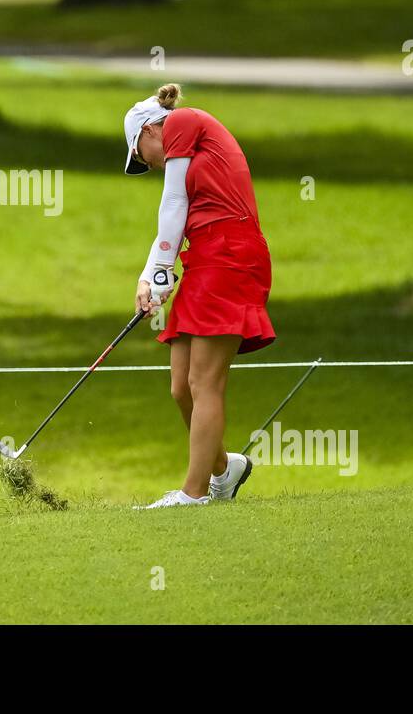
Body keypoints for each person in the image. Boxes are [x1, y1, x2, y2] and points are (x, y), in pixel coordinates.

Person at [124, 83, 276, 509]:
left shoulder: (185, 122)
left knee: (204, 382)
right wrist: (151, 276)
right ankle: (225, 469)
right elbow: (177, 211)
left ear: (149, 132)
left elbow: (174, 202)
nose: (148, 165)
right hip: (205, 255)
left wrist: (158, 270)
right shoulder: (182, 142)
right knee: (181, 388)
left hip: (231, 254)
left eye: (140, 157)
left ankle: (193, 494)